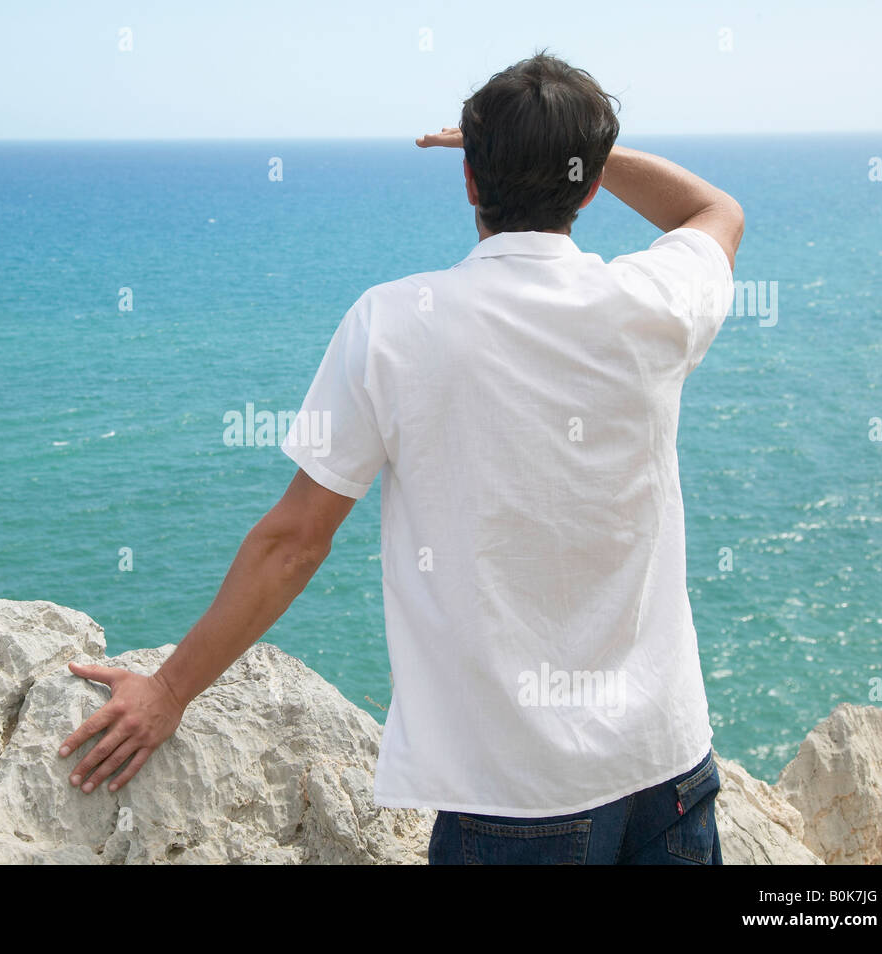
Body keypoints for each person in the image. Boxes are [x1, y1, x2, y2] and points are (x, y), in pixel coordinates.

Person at [58, 51, 744, 864]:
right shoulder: (652, 304)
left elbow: (294, 541)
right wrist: (575, 151)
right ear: (591, 188)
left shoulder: (395, 325)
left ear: (467, 182)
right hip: (666, 766)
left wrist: (168, 691)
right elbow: (714, 210)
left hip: (509, 799)